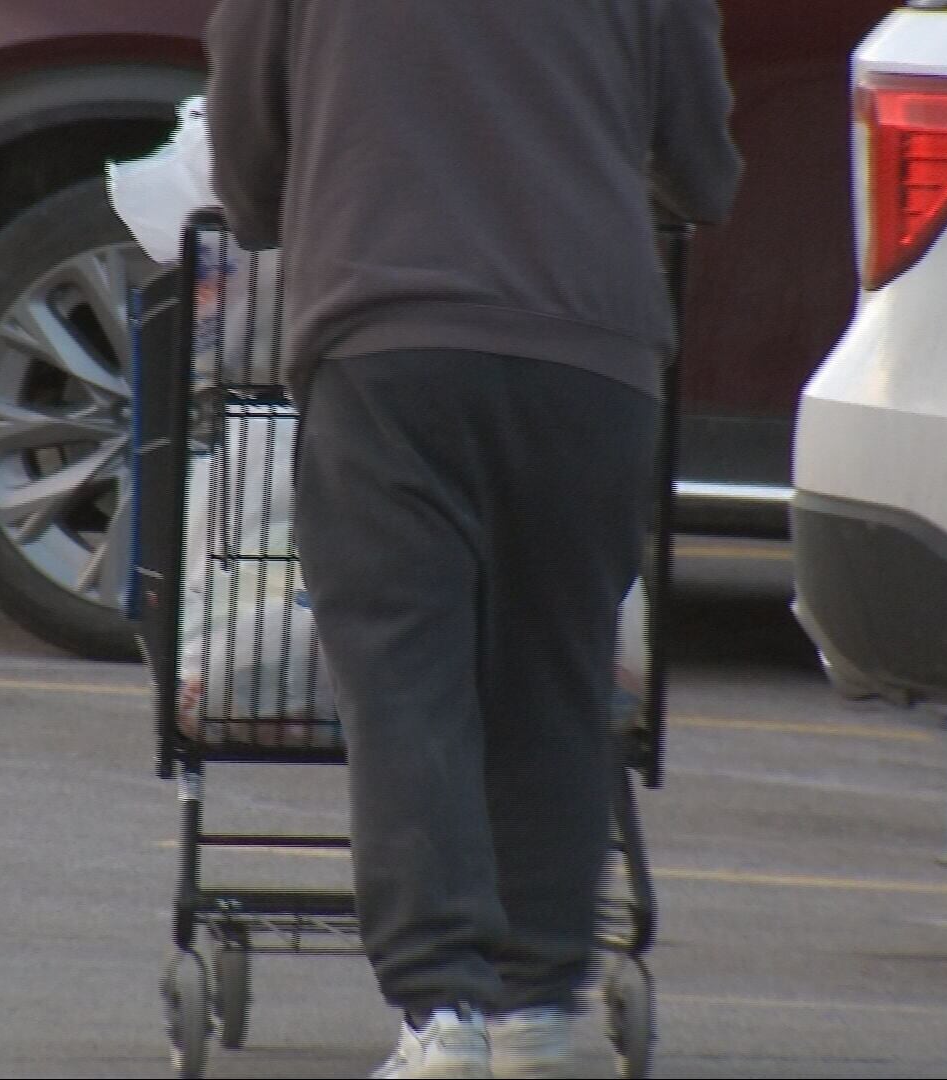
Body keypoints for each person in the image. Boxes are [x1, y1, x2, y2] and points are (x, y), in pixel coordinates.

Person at [204, 1, 741, 1075]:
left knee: (407, 679)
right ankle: (536, 1010)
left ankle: (443, 1007)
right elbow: (704, 173)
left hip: (389, 341)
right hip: (591, 356)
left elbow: (250, 170)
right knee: (557, 679)